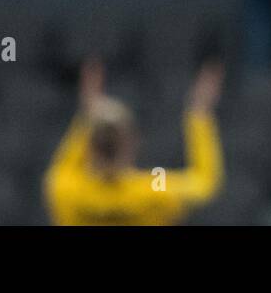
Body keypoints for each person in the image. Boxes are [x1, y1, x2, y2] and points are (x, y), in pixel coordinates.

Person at [44, 59, 224, 225]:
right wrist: (199, 114)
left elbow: (66, 163)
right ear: (131, 145)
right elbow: (204, 182)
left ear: (89, 147)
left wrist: (88, 115)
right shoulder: (152, 193)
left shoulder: (66, 190)